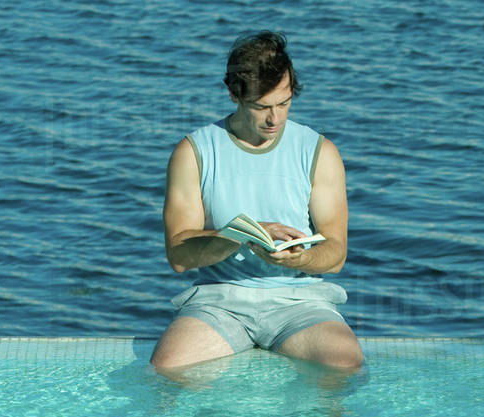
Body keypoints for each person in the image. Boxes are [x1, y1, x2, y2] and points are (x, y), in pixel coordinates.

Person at [150, 31, 364, 376]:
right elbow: (178, 256)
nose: (274, 119)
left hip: (299, 302)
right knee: (167, 368)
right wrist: (236, 235)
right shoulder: (193, 153)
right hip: (220, 301)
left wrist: (301, 257)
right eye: (262, 106)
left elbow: (336, 254)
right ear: (234, 94)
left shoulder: (320, 152)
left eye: (284, 103)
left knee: (345, 364)